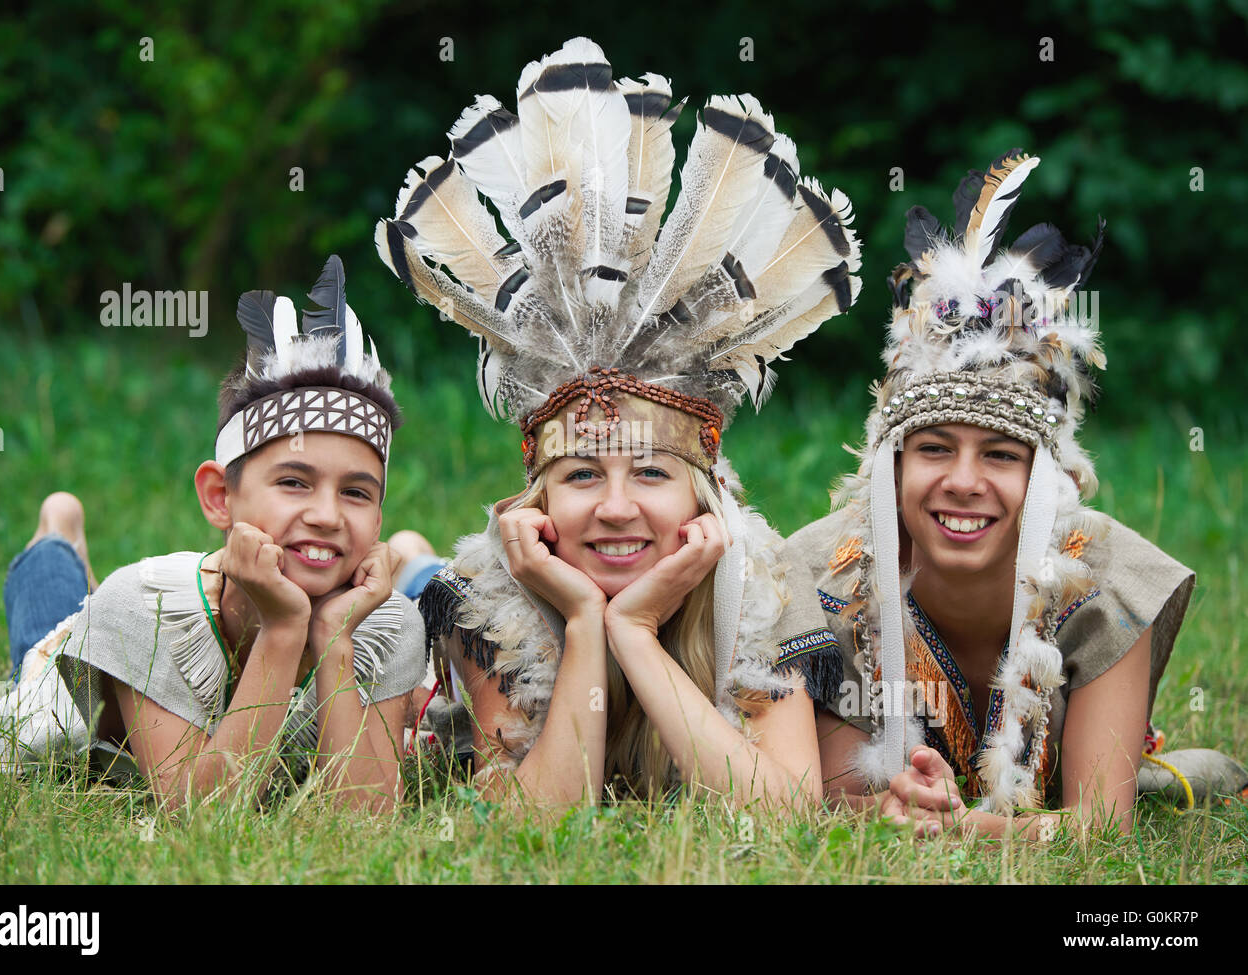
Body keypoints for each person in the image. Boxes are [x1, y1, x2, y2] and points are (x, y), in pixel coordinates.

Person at [376, 37, 861, 810]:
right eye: (580, 474)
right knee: (417, 578)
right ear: (537, 502)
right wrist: (580, 619)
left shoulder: (764, 581)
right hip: (449, 588)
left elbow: (788, 813)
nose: (614, 505)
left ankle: (409, 552)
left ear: (703, 494)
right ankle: (408, 561)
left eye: (651, 472)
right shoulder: (487, 593)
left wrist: (634, 631)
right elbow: (531, 823)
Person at [786, 150, 1211, 839]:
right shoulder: (824, 579)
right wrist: (904, 811)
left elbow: (1099, 829)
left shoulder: (1107, 579)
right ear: (889, 467)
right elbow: (841, 801)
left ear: (1049, 478)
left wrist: (954, 830)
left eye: (1002, 455)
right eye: (932, 448)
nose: (962, 479)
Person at [0, 256, 427, 813]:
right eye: (294, 482)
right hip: (73, 689)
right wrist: (284, 626)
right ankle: (58, 536)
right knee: (39, 649)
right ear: (219, 497)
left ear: (378, 519)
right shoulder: (141, 610)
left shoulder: (390, 624)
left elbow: (366, 817)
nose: (326, 515)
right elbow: (206, 817)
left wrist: (336, 640)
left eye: (356, 493)